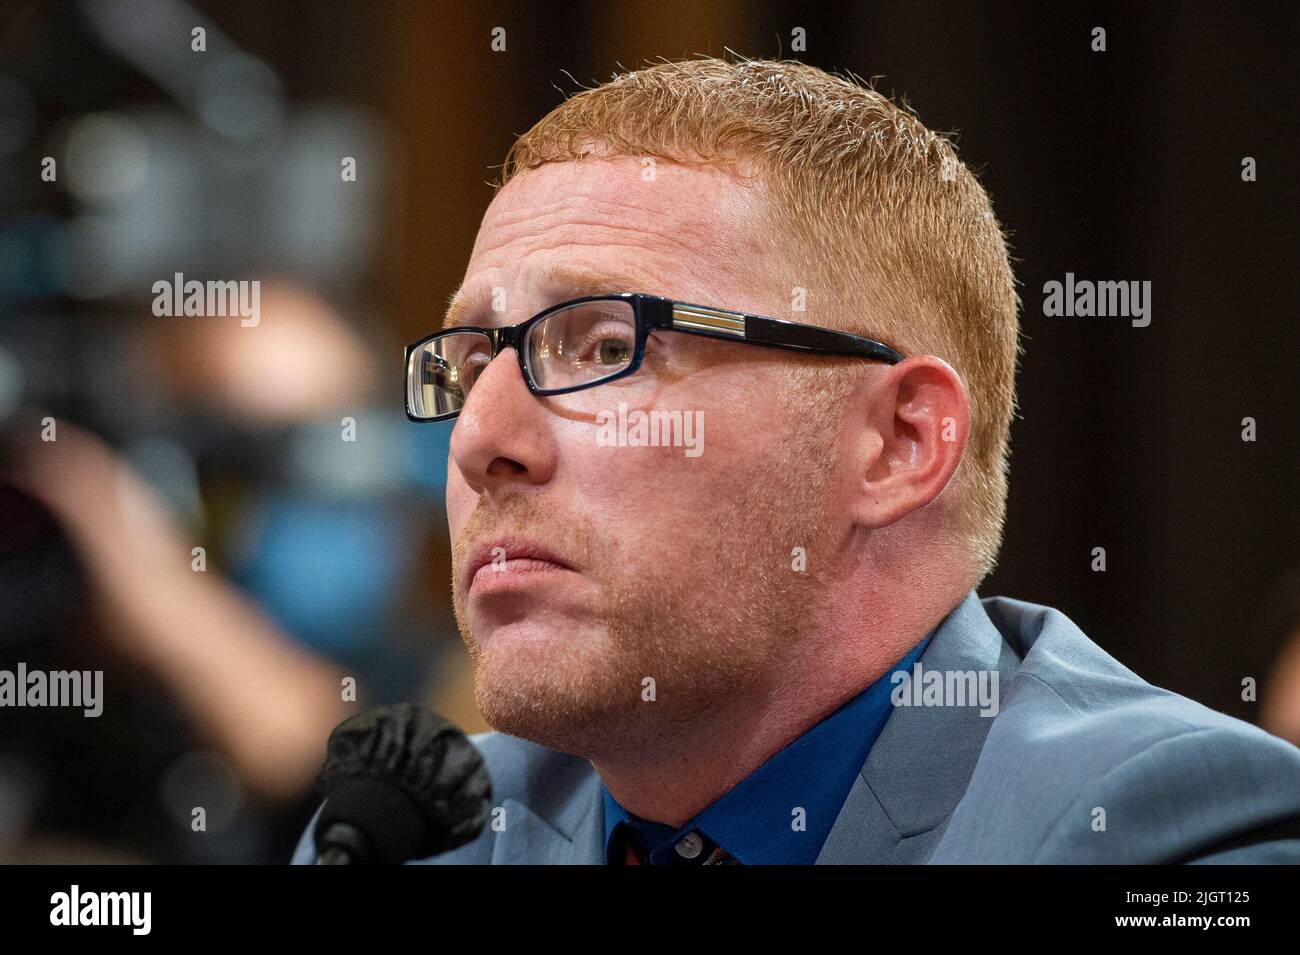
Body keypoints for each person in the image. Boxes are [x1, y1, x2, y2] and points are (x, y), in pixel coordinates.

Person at [292, 57, 1300, 864]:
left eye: (604, 347)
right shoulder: (424, 835)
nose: (477, 441)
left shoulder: (1164, 833)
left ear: (897, 443)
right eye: (472, 362)